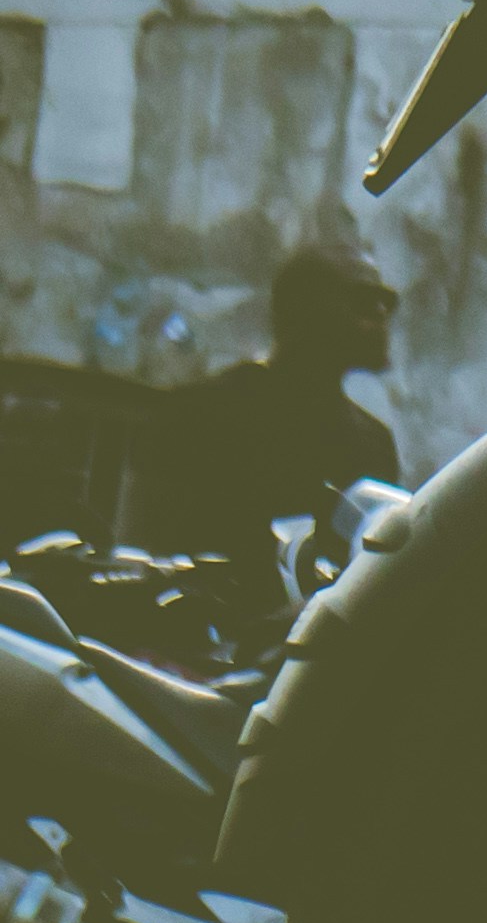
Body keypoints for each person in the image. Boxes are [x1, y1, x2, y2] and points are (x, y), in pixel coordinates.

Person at [115, 242, 401, 651]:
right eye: (363, 300)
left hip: (301, 671)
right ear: (303, 309)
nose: (380, 314)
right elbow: (132, 555)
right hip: (188, 658)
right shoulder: (198, 413)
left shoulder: (373, 445)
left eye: (385, 302)